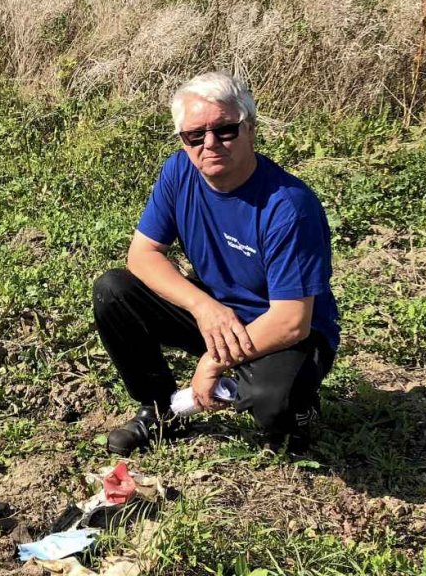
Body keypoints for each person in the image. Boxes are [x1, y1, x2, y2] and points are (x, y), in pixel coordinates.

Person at [93, 71, 339, 456]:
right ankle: (160, 411)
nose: (210, 144)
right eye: (195, 135)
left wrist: (212, 362)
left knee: (273, 404)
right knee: (114, 291)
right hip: (221, 311)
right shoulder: (179, 172)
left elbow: (292, 320)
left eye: (225, 130)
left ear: (250, 129)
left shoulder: (289, 207)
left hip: (286, 330)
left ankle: (300, 408)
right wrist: (203, 306)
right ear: (183, 141)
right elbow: (142, 255)